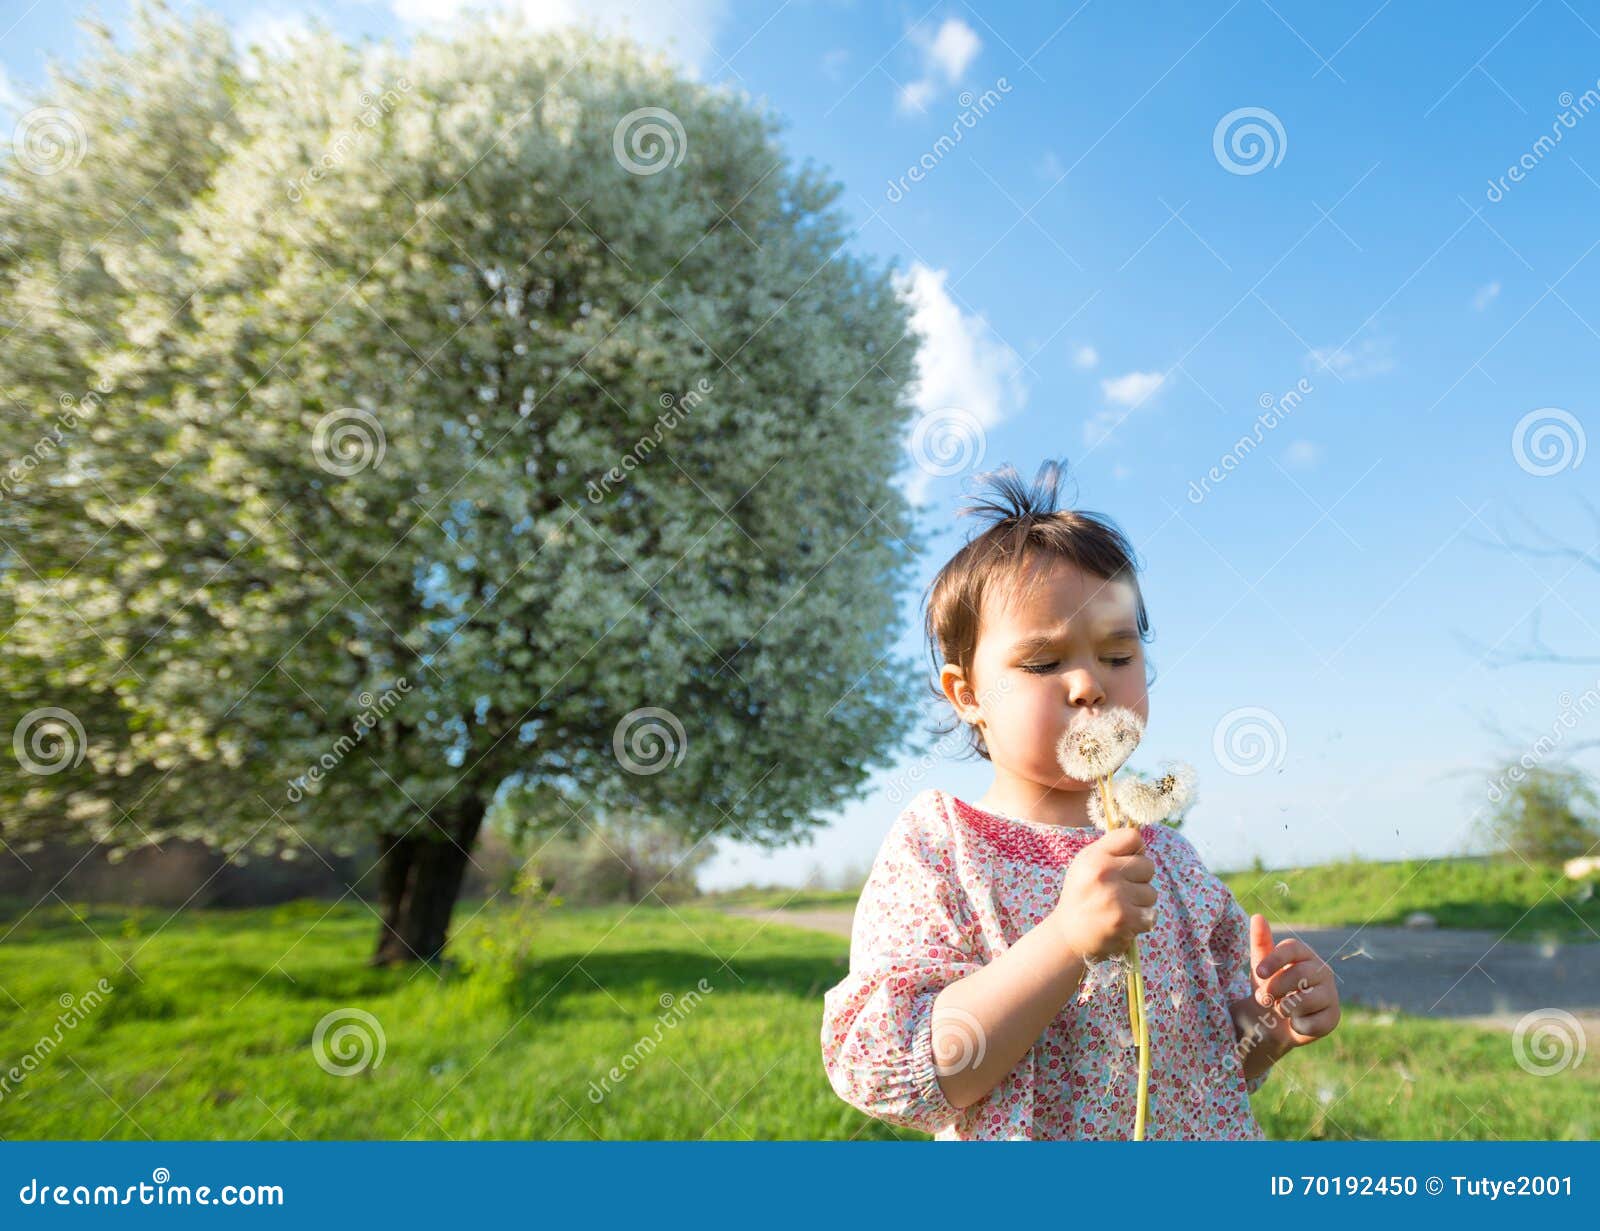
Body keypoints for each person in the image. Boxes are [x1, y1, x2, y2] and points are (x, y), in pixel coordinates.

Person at [820, 458, 1340, 1139]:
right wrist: (1065, 938)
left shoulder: (1170, 860)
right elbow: (894, 1069)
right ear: (968, 694)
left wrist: (1272, 1023)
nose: (1089, 684)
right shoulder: (941, 847)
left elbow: (1211, 1060)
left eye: (1117, 656)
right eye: (1042, 662)